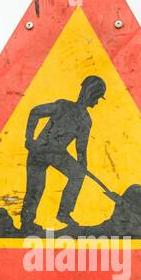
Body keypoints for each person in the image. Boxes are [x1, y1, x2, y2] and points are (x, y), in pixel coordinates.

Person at [18, 75, 106, 233]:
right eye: (97, 98)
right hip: (46, 151)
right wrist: (29, 138)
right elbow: (35, 112)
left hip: (46, 151)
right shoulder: (76, 113)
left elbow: (80, 148)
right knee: (43, 185)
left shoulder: (73, 112)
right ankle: (57, 215)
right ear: (91, 94)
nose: (97, 102)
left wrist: (29, 139)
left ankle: (37, 220)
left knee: (39, 187)